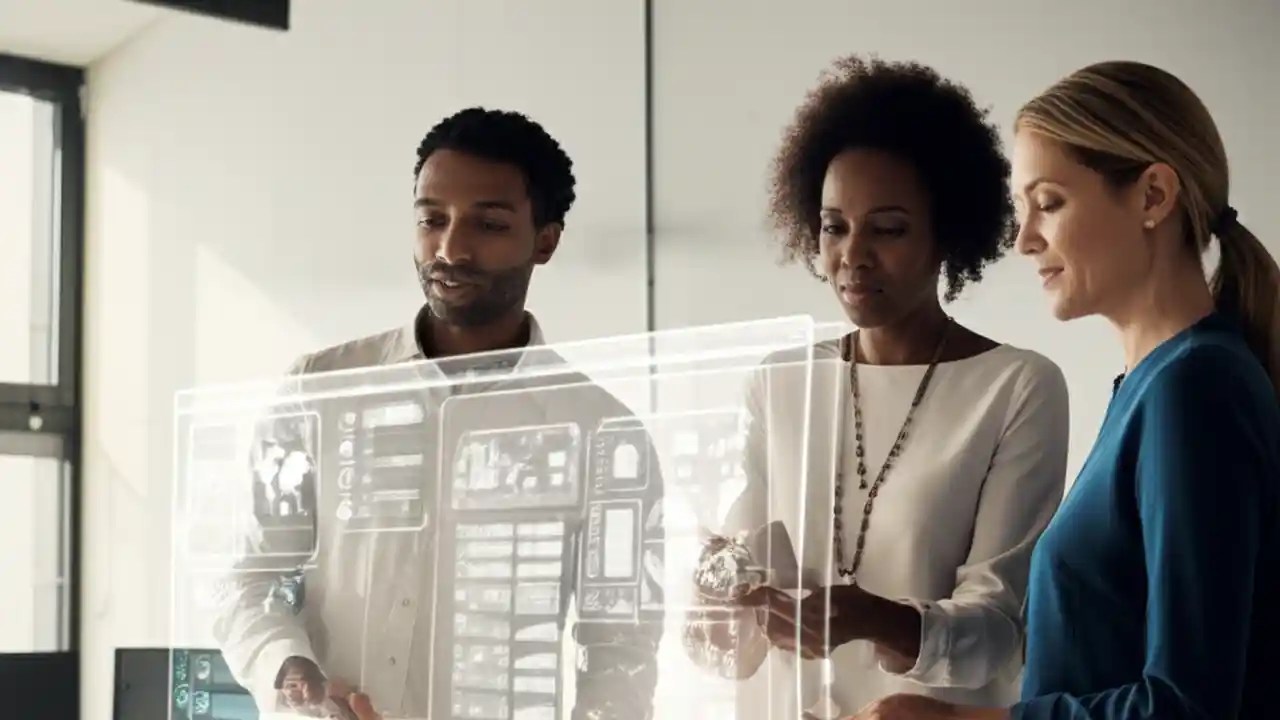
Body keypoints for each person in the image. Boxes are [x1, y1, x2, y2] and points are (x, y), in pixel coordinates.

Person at [855, 60, 1280, 720]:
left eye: (1049, 203)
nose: (1024, 239)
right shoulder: (1155, 388)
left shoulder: (1193, 392)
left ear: (1153, 197)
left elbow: (1187, 706)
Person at [210, 107, 664, 720]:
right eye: (432, 219)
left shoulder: (603, 431)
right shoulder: (320, 389)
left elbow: (620, 651)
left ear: (545, 240)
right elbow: (251, 580)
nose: (450, 248)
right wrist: (291, 669)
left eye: (489, 224)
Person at [684, 55, 1071, 718]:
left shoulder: (1015, 388)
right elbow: (729, 631)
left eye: (888, 229)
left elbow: (1000, 635)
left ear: (948, 233)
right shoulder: (780, 381)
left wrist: (877, 620)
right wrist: (713, 608)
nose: (853, 256)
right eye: (835, 226)